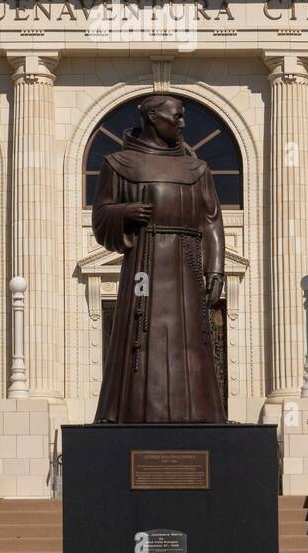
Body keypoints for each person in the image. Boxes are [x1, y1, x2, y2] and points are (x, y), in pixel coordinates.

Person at [92, 93, 226, 423]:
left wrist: (216, 268)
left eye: (182, 116)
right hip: (144, 268)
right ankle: (134, 412)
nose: (182, 123)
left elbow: (211, 220)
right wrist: (124, 212)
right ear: (152, 117)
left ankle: (198, 415)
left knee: (193, 340)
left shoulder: (197, 169)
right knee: (141, 329)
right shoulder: (118, 165)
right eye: (176, 116)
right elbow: (100, 217)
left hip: (188, 267)